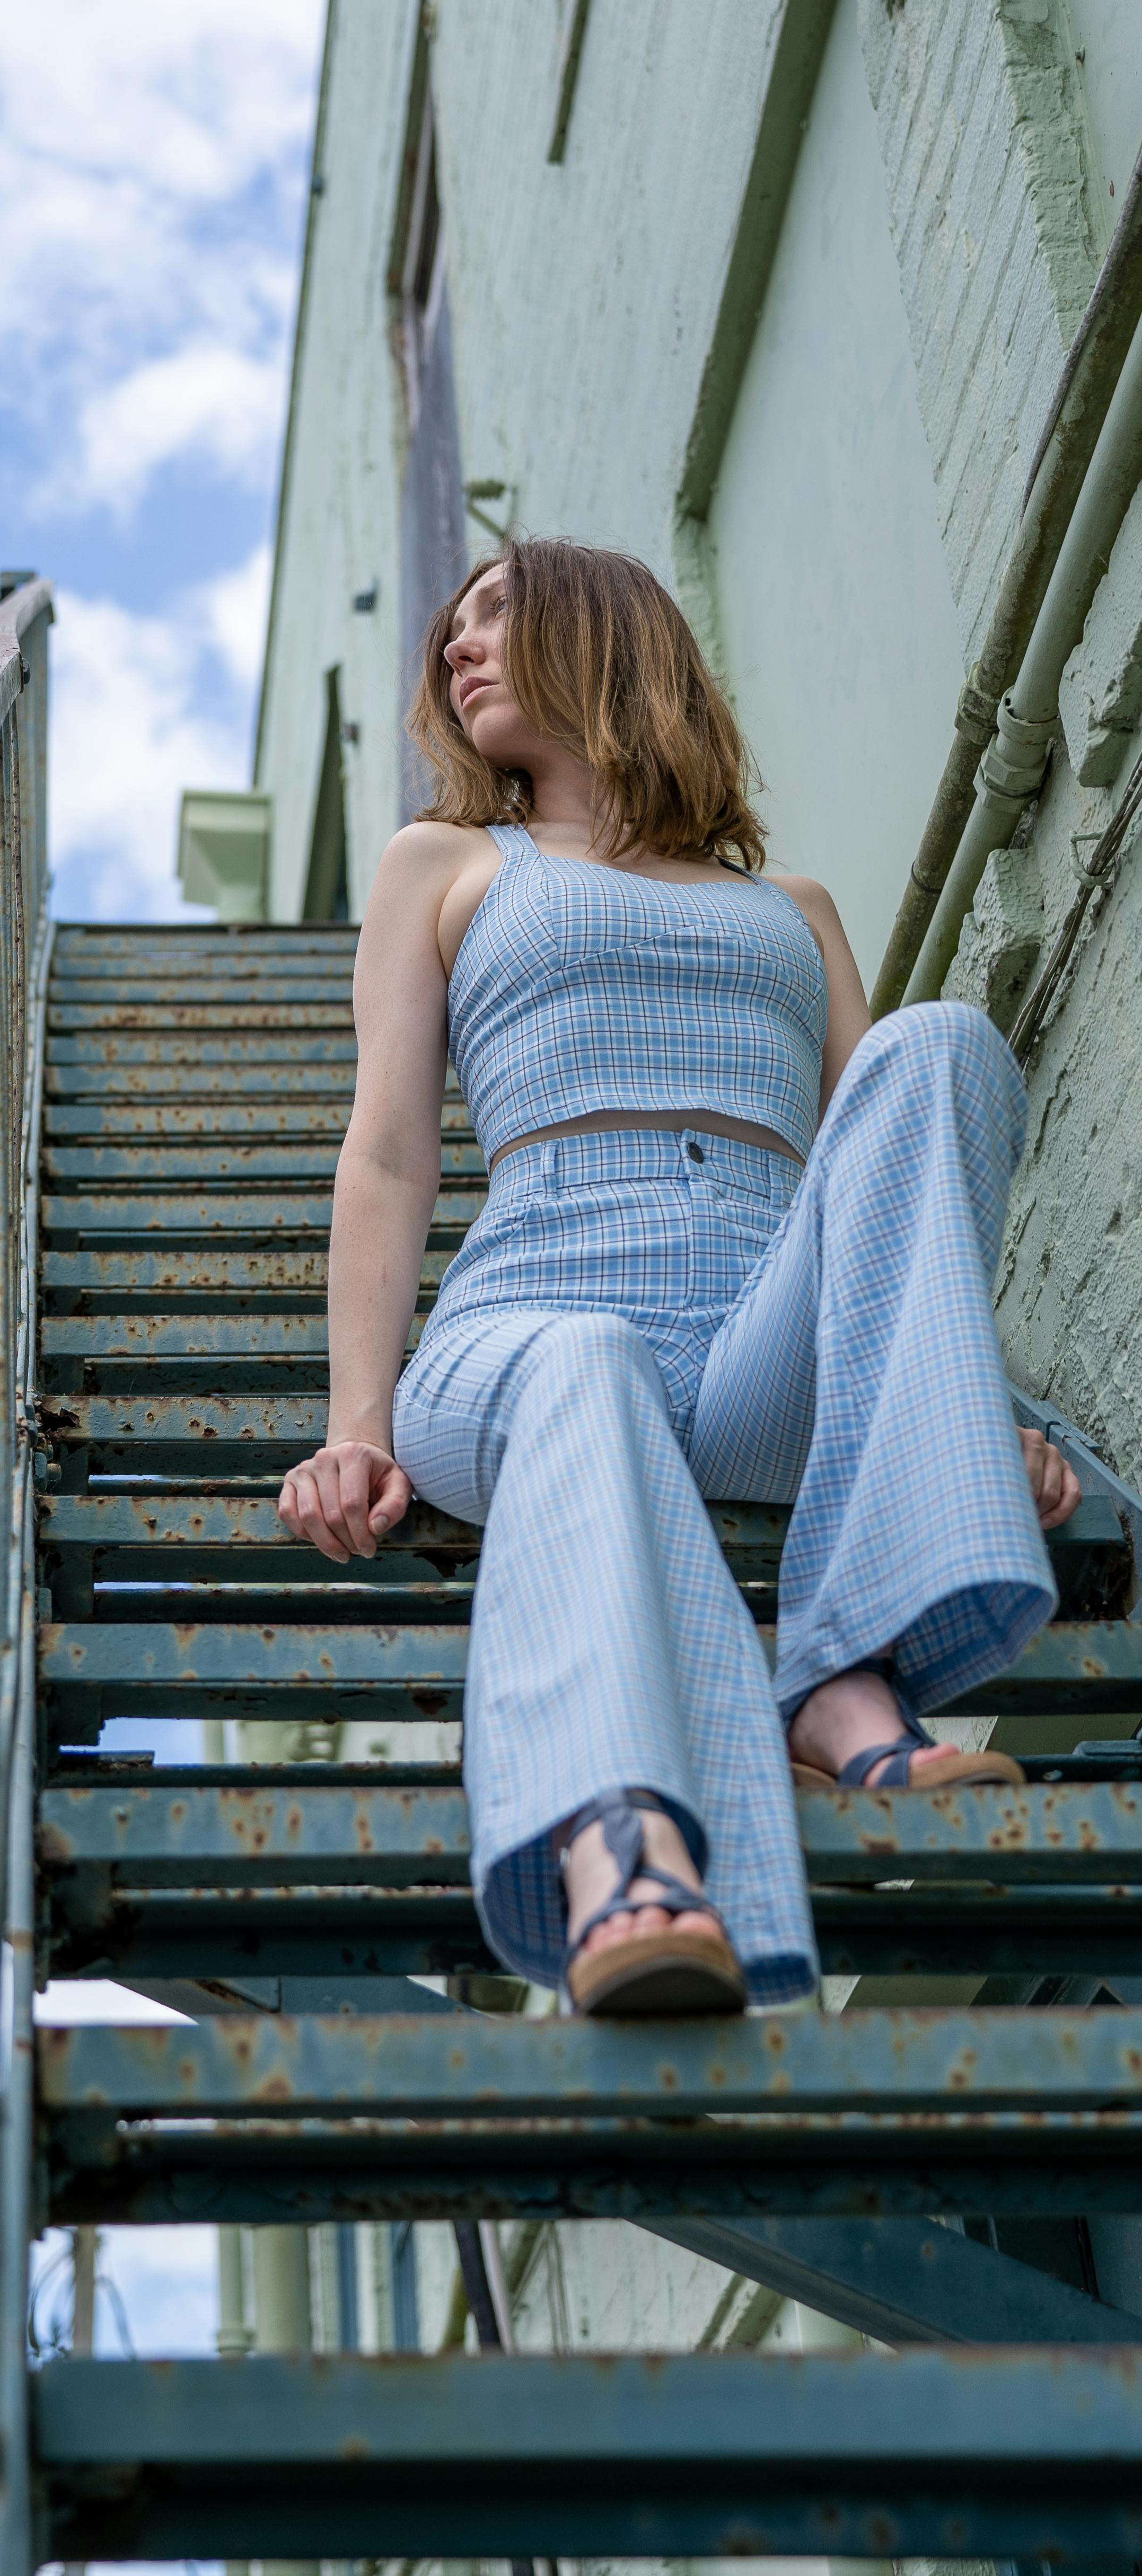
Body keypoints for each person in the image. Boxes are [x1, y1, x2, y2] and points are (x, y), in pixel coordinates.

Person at [279, 539, 1080, 2018]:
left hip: (761, 1339)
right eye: (448, 632)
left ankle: (840, 1673)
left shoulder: (793, 906)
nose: (457, 649)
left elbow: (888, 1185)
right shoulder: (447, 865)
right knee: (581, 1354)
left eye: (495, 613)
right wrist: (355, 1424)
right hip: (527, 1321)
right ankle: (621, 1852)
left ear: (606, 631)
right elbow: (386, 1155)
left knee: (936, 1047)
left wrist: (971, 1405)